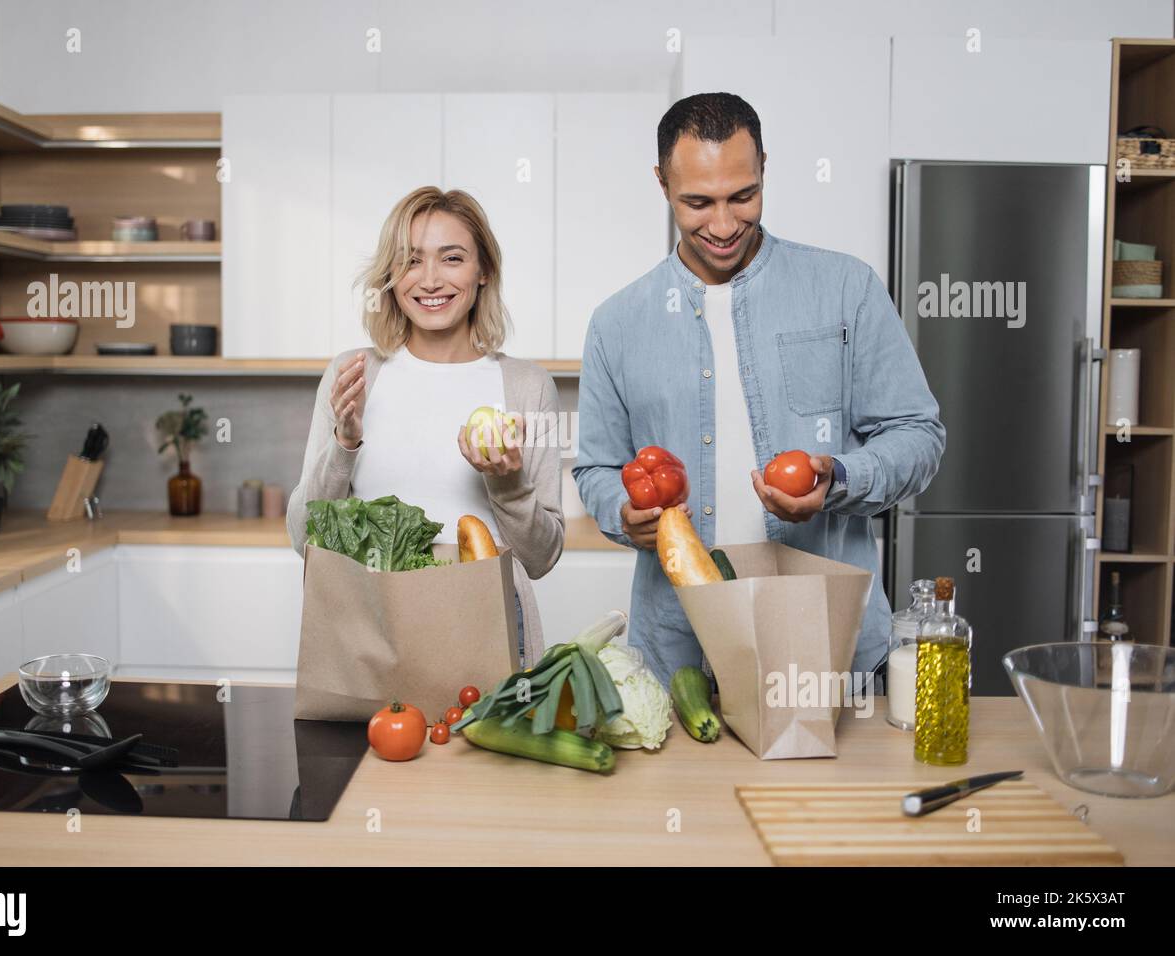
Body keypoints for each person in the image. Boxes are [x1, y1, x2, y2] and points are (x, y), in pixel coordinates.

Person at [572, 92, 945, 688]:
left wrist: (840, 479)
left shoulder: (846, 289)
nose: (722, 225)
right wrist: (623, 513)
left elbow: (918, 435)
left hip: (822, 647)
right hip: (678, 660)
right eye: (697, 202)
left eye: (741, 196)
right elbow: (595, 468)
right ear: (662, 184)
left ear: (765, 169)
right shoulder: (616, 323)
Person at [287, 186, 564, 666]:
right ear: (392, 276)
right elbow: (302, 536)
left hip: (487, 627)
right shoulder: (353, 375)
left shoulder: (527, 387)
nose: (430, 280)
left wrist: (506, 480)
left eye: (452, 258)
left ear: (483, 272)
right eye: (411, 260)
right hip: (372, 630)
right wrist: (344, 443)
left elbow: (540, 559)